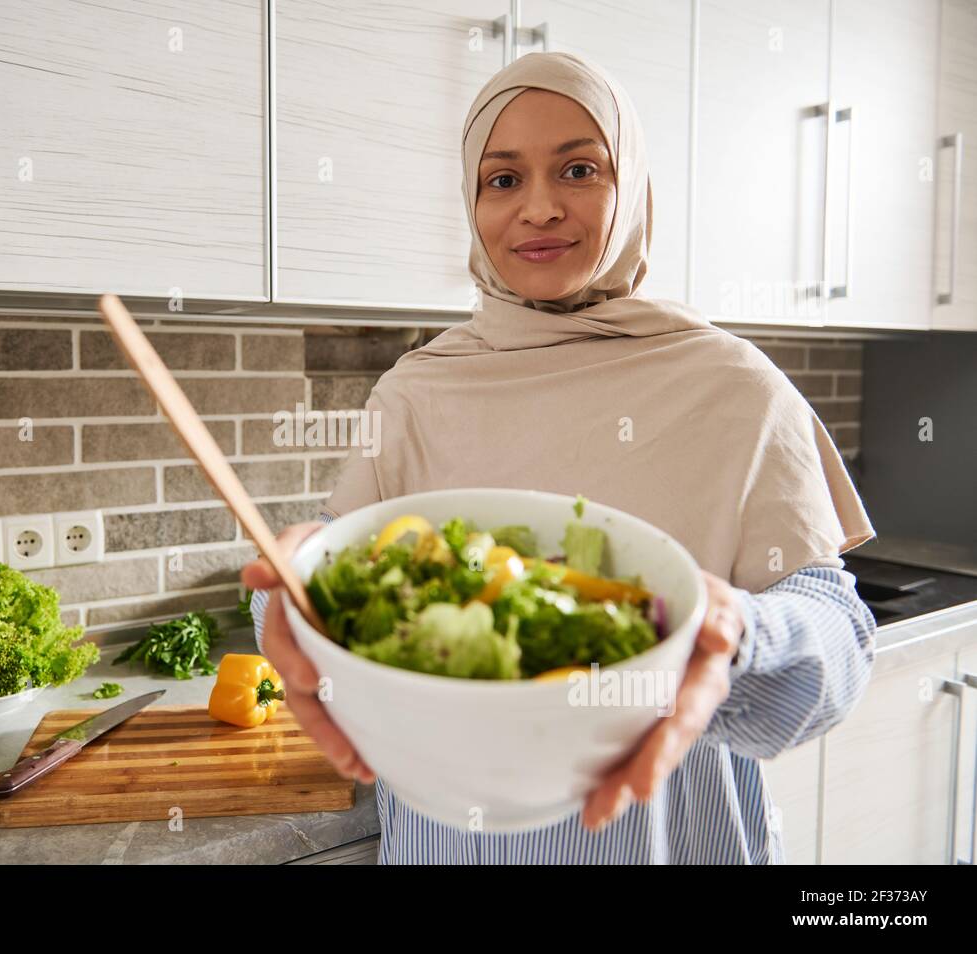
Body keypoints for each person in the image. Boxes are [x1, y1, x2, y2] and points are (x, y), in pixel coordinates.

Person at [242, 51, 877, 864]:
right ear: (470, 203)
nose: (538, 209)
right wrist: (285, 594)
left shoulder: (736, 388)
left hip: (671, 834)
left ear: (631, 184)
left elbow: (838, 639)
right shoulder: (418, 392)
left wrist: (737, 630)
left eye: (579, 169)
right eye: (502, 180)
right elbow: (325, 588)